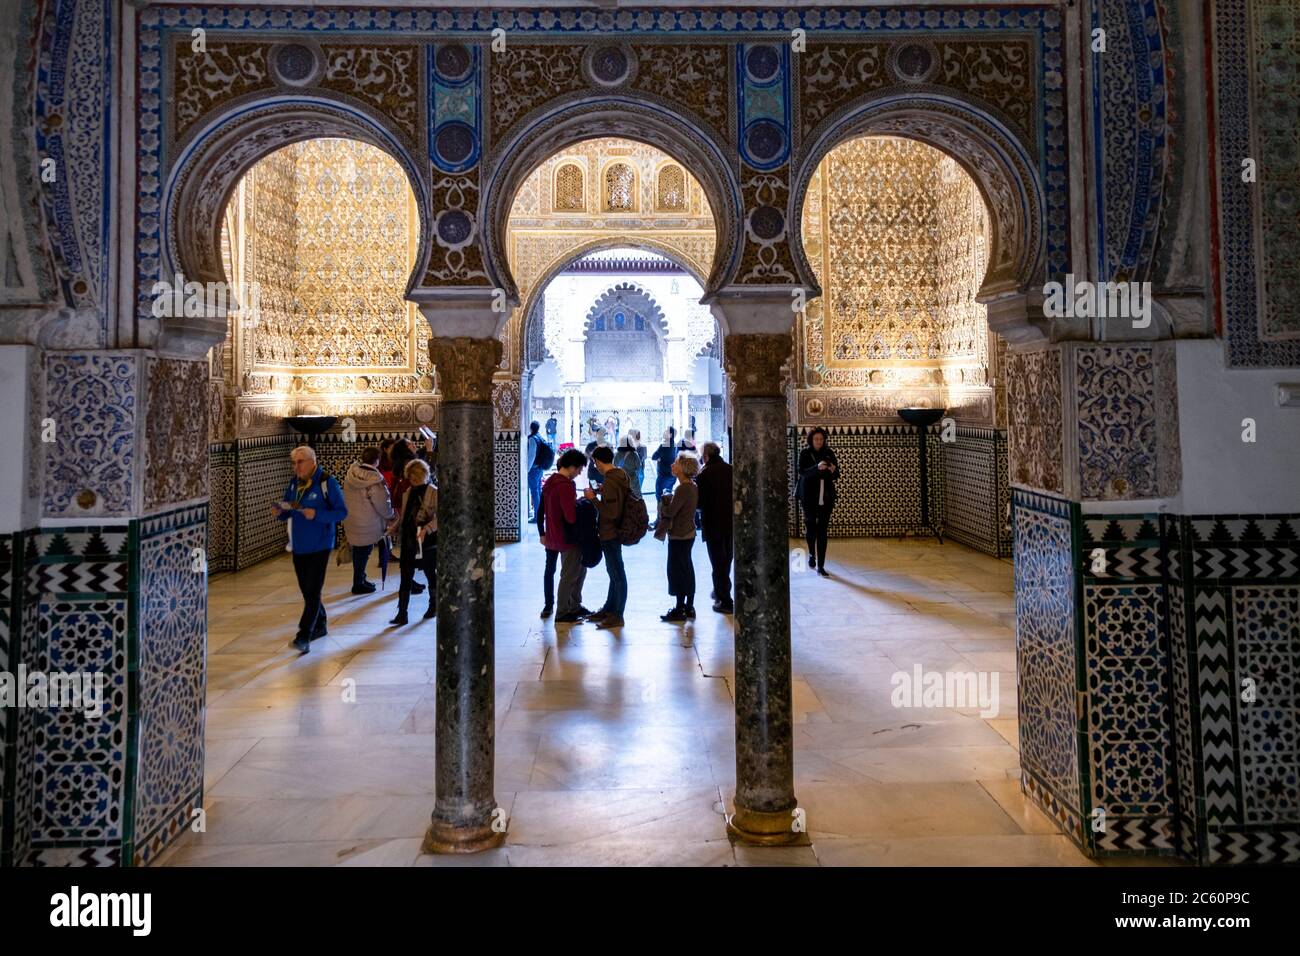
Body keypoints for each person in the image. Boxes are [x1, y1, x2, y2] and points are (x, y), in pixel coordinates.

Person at [273, 445, 348, 654]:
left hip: (320, 545)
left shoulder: (326, 482)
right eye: (294, 463)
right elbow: (289, 508)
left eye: (300, 462)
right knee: (308, 591)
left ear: (312, 461)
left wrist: (317, 515)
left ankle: (303, 635)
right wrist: (280, 512)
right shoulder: (294, 484)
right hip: (299, 545)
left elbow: (341, 512)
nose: (296, 467)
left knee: (313, 591)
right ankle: (321, 624)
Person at [538, 449, 591, 622]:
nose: (580, 473)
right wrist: (583, 504)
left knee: (574, 572)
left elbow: (544, 510)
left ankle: (573, 606)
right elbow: (570, 516)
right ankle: (563, 612)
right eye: (579, 469)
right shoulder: (566, 485)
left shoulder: (550, 481)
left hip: (553, 534)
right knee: (570, 575)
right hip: (567, 537)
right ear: (572, 467)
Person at [583, 446, 630, 629]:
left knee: (617, 574)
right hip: (614, 531)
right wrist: (603, 492)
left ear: (599, 462)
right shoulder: (619, 475)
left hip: (610, 532)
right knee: (614, 573)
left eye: (595, 462)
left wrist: (593, 498)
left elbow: (611, 512)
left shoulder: (611, 481)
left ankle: (617, 615)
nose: (595, 466)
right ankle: (609, 609)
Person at [387, 458, 438, 625]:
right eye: (411, 477)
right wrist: (393, 527)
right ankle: (402, 613)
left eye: (416, 477)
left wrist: (426, 529)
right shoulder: (408, 492)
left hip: (427, 540)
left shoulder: (434, 492)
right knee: (405, 575)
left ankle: (433, 605)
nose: (414, 481)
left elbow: (441, 517)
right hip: (409, 539)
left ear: (424, 475)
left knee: (430, 573)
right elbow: (406, 516)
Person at [341, 446, 395, 594]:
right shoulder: (374, 479)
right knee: (364, 551)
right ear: (377, 461)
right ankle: (358, 583)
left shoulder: (351, 473)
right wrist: (390, 515)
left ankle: (360, 579)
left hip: (352, 519)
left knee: (360, 550)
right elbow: (382, 503)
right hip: (368, 522)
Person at [658, 452, 700, 621]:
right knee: (686, 568)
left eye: (675, 463)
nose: (672, 465)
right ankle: (688, 606)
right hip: (688, 532)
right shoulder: (692, 485)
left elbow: (671, 512)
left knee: (677, 571)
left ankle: (680, 608)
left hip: (679, 534)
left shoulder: (683, 488)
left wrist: (663, 503)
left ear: (682, 468)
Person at [694, 442, 734, 613]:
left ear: (705, 456)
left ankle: (725, 600)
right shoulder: (731, 469)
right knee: (727, 559)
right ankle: (721, 591)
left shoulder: (704, 474)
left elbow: (700, 502)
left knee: (717, 562)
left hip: (712, 524)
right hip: (731, 522)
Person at [798, 427, 840, 577]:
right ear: (811, 440)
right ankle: (811, 554)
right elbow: (802, 472)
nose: (819, 442)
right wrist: (817, 468)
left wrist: (833, 470)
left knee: (822, 530)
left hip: (826, 496)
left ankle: (821, 566)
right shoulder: (805, 453)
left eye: (821, 439)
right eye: (816, 439)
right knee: (811, 527)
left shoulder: (829, 453)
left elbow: (837, 474)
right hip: (809, 496)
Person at [651, 427, 678, 501]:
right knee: (668, 498)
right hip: (672, 476)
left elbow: (653, 457)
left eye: (666, 431)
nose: (664, 432)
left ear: (670, 435)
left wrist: (659, 458)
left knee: (660, 498)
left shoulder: (664, 445)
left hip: (664, 477)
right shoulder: (675, 445)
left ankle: (660, 513)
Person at [526, 420, 545, 523]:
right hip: (539, 468)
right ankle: (540, 515)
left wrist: (526, 470)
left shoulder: (533, 439)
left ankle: (537, 517)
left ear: (531, 428)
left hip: (533, 470)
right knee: (538, 491)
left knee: (535, 492)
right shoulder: (540, 437)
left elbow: (531, 455)